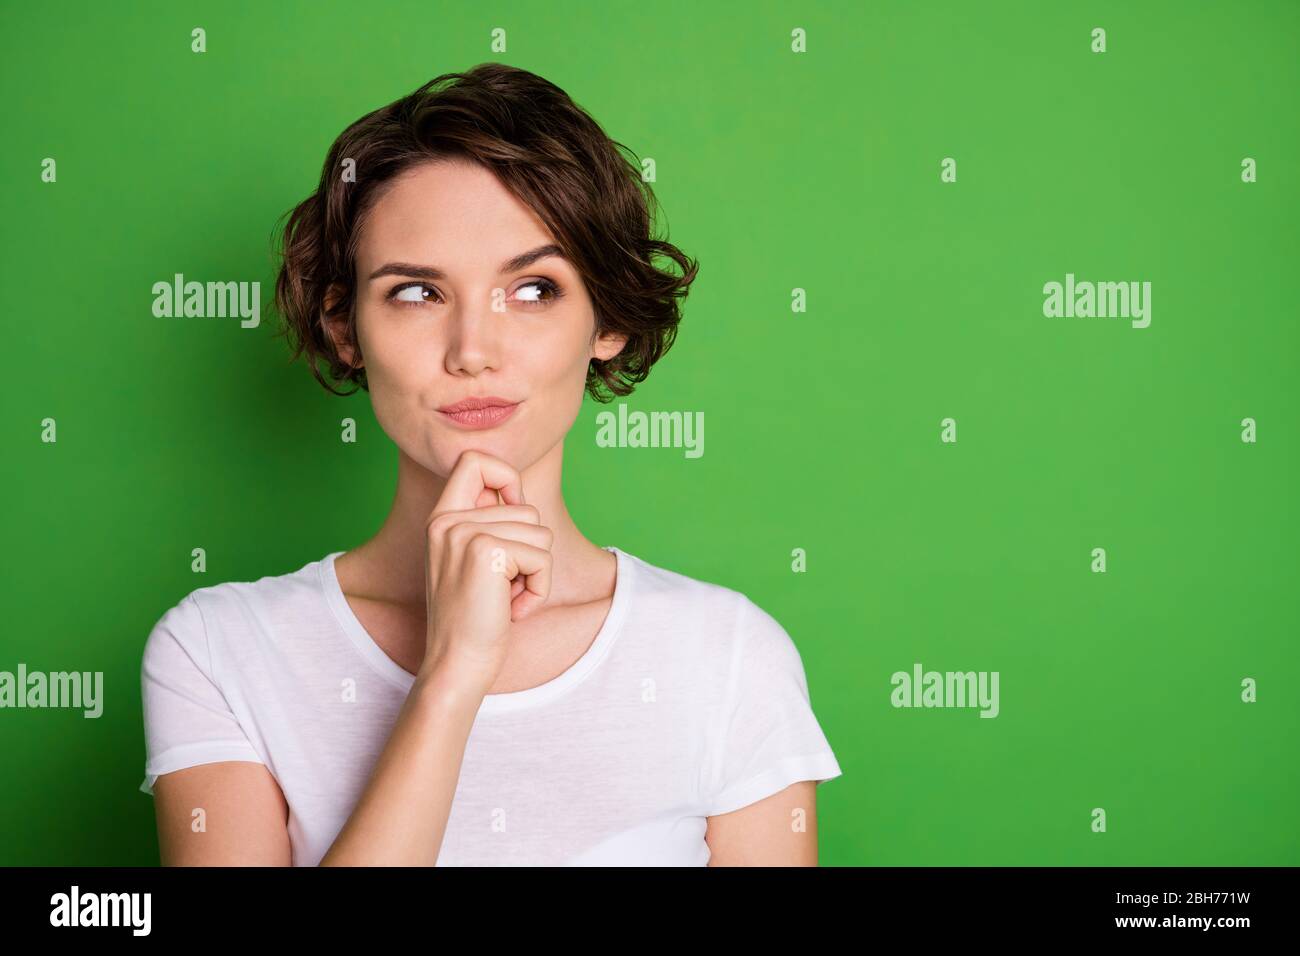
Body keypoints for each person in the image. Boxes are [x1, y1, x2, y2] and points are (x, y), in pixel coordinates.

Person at [140, 62, 842, 866]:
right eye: (416, 293)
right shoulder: (218, 651)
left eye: (534, 289)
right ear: (345, 328)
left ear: (606, 317)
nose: (473, 351)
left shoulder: (727, 659)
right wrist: (451, 676)